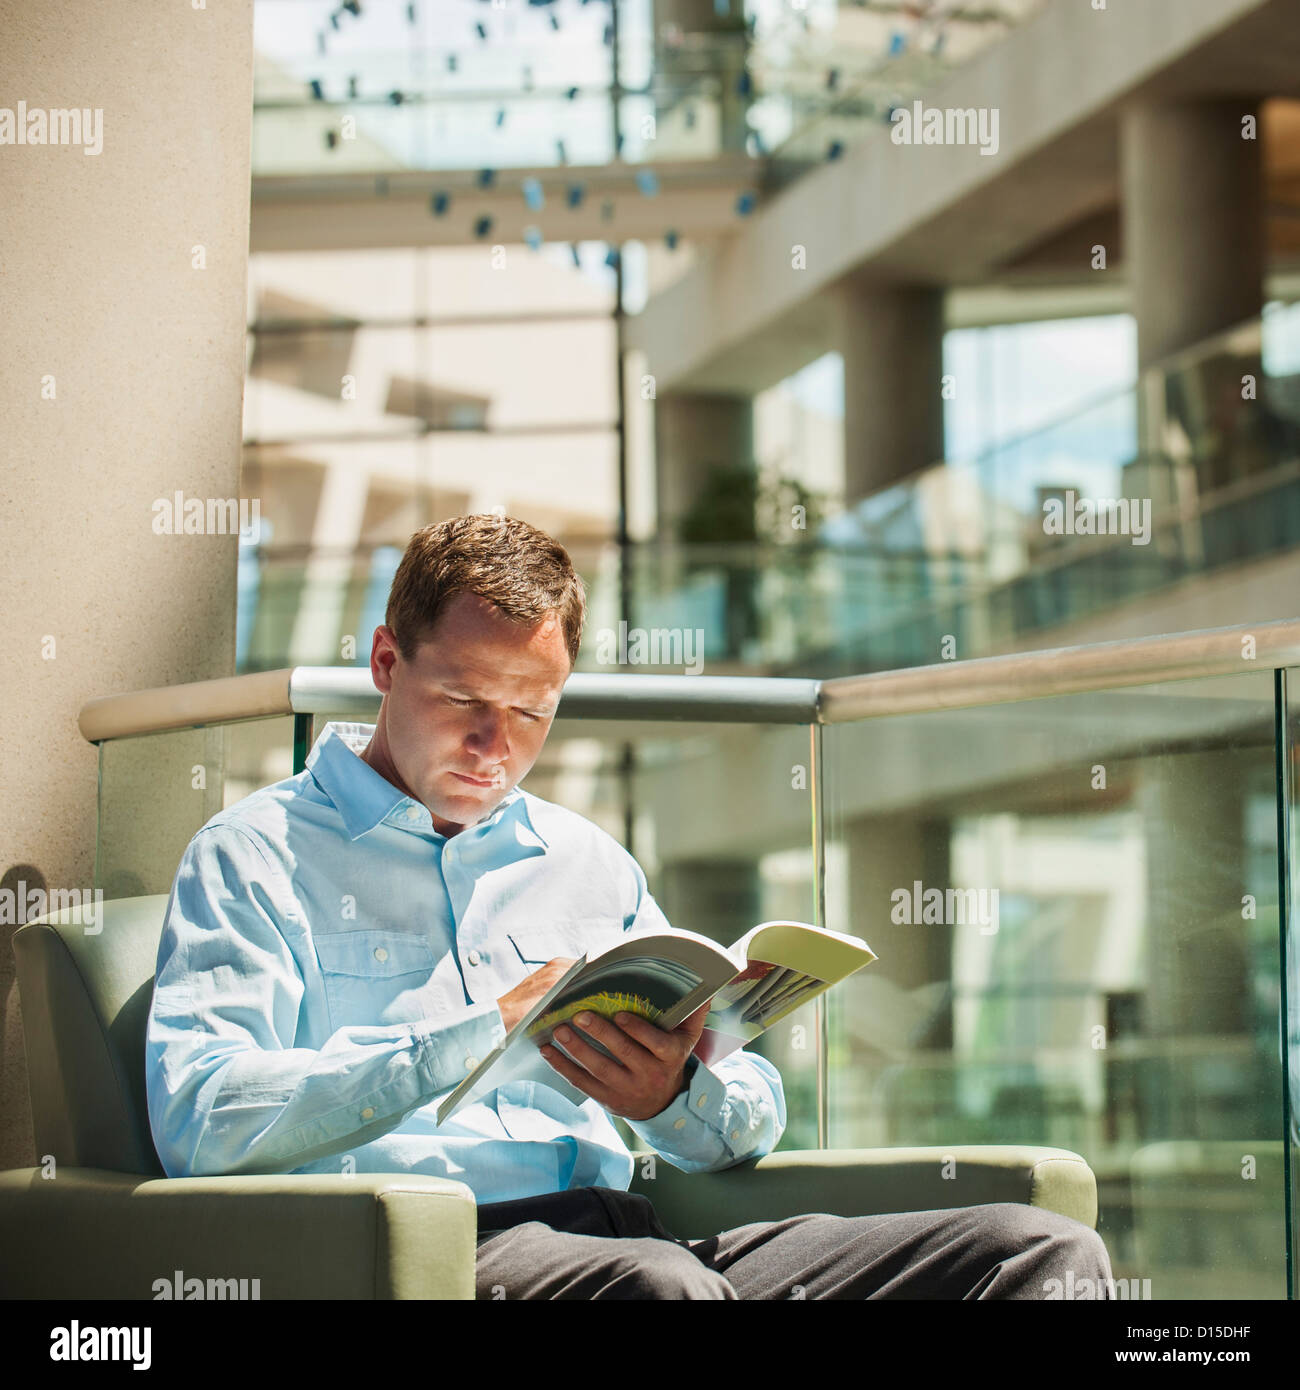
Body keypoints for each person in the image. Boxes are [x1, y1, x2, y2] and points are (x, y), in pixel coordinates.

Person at [145, 513, 1115, 1299]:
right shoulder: (254, 857)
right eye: (464, 698)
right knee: (660, 1291)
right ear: (387, 661)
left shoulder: (586, 863)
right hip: (434, 1258)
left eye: (531, 710)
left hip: (644, 1238)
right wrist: (477, 1035)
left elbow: (750, 1120)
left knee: (1036, 1251)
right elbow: (201, 1115)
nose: (495, 742)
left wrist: (673, 1098)